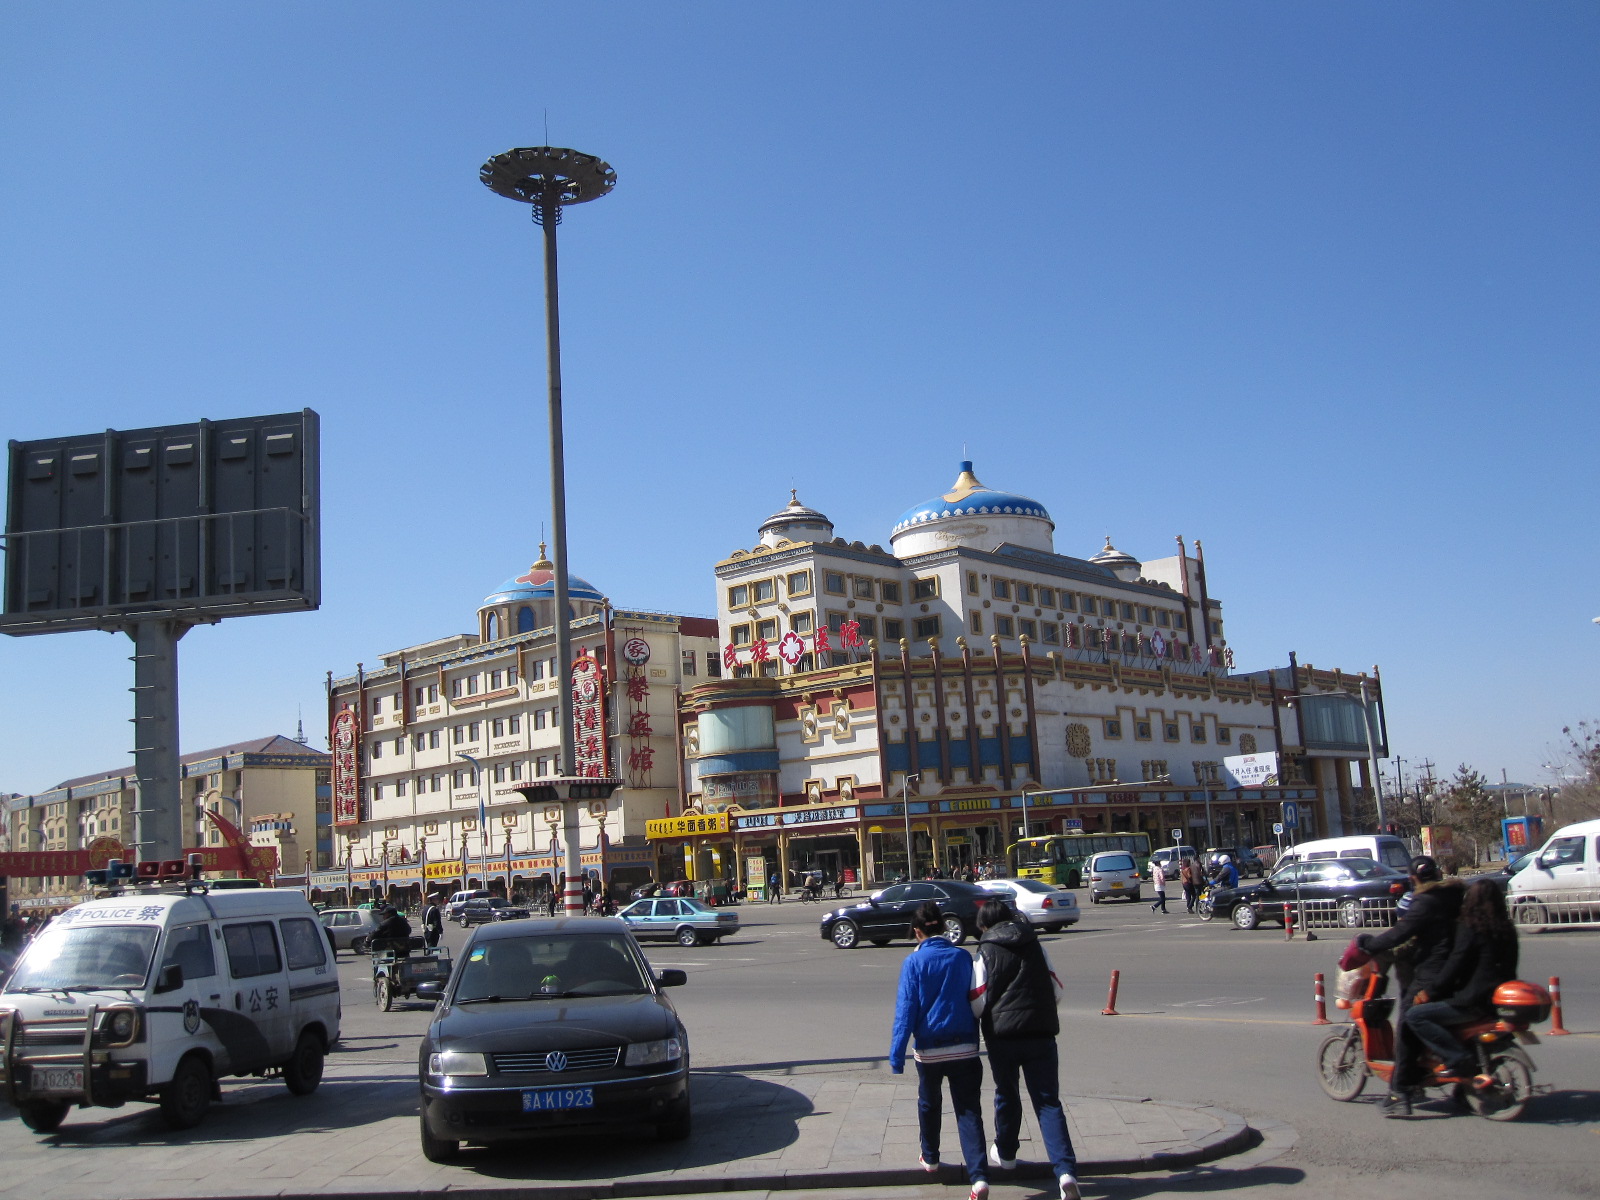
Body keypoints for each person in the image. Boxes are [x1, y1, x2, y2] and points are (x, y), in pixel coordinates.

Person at [972, 899, 1080, 1200]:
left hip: (1002, 1037)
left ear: (984, 926)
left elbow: (977, 998)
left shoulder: (985, 952)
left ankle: (1006, 1154)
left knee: (1006, 1094)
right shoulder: (1036, 945)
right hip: (1040, 1034)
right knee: (1048, 1103)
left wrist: (984, 1019)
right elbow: (1056, 989)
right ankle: (1065, 1172)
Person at [889, 901, 990, 1200]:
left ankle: (930, 1157)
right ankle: (979, 1178)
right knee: (969, 1111)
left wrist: (896, 1056)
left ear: (917, 931)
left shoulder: (913, 963)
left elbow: (906, 1011)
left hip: (929, 1050)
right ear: (944, 928)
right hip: (965, 1047)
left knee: (929, 1103)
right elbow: (977, 998)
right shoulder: (963, 957)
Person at [1357, 855, 1465, 1116]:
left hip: (1432, 973)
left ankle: (1400, 1091)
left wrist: (1369, 944)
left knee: (1407, 1024)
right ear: (1438, 874)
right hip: (1460, 970)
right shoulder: (1455, 896)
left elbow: (1399, 934)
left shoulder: (1424, 902)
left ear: (1413, 879)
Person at [1402, 878, 1518, 1091]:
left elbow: (1455, 964)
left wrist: (1430, 991)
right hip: (1496, 1003)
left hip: (1472, 1002)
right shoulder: (1507, 929)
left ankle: (1457, 1058)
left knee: (1415, 1016)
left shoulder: (1470, 927)